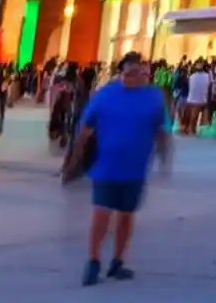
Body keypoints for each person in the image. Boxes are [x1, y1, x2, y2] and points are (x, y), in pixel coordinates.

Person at [70, 53, 171, 287]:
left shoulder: (153, 97)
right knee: (101, 215)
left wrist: (165, 156)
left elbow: (161, 130)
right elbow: (85, 128)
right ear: (121, 73)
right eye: (130, 73)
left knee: (126, 216)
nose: (135, 77)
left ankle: (118, 261)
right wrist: (75, 158)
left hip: (135, 169)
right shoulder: (105, 95)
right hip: (106, 167)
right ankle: (93, 261)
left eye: (140, 73)